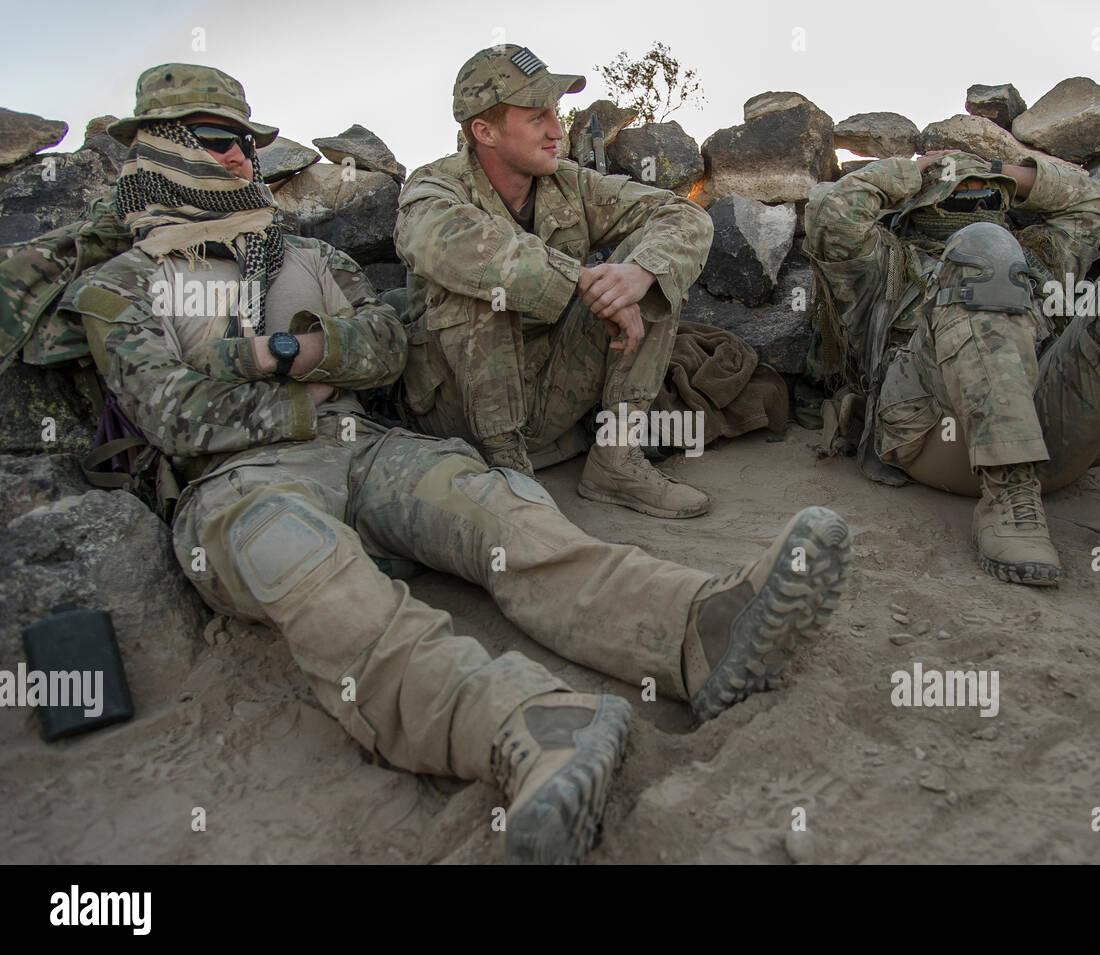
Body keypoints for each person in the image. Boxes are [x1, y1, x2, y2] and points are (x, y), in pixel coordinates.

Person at [65, 63, 852, 864]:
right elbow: (174, 415)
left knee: (497, 512)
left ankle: (695, 628)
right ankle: (523, 727)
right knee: (321, 577)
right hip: (235, 485)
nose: (243, 158)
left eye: (249, 142)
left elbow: (379, 348)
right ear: (163, 148)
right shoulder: (121, 286)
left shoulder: (304, 257)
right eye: (219, 142)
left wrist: (264, 354)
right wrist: (312, 376)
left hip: (358, 448)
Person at [804, 149, 1100, 598]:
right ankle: (1006, 493)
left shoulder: (1042, 260)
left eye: (985, 190)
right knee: (985, 249)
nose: (974, 194)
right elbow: (829, 213)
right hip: (934, 436)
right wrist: (919, 167)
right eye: (958, 186)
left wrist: (999, 170)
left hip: (1050, 441)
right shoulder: (880, 264)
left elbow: (1090, 201)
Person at [393, 44, 714, 519]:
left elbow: (682, 215)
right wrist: (578, 280)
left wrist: (640, 272)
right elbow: (440, 240)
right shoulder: (436, 186)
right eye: (537, 116)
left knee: (650, 270)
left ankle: (616, 459)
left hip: (545, 394)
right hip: (457, 414)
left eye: (556, 113)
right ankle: (508, 476)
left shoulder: (568, 183)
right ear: (484, 130)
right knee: (482, 280)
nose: (555, 130)